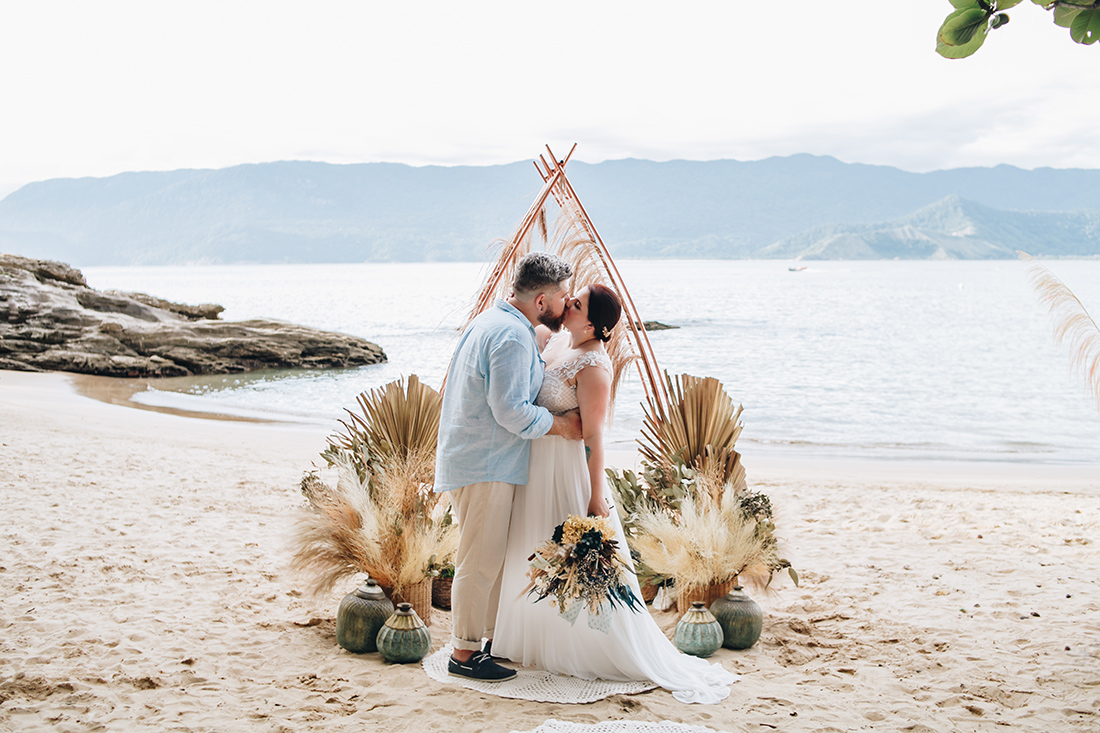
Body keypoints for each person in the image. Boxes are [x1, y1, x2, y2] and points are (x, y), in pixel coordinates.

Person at [492, 283, 739, 704]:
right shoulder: (552, 343)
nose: (567, 303)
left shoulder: (595, 366)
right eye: (570, 298)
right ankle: (534, 642)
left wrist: (595, 496)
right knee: (535, 555)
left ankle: (590, 647)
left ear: (592, 323)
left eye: (577, 303)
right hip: (535, 467)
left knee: (578, 564)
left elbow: (594, 437)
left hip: (566, 472)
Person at [434, 252, 583, 682]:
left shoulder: (492, 323)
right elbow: (512, 413)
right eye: (560, 299)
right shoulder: (512, 337)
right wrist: (561, 426)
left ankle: (486, 642)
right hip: (486, 463)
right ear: (541, 301)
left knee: (486, 558)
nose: (564, 306)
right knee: (479, 561)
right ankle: (463, 654)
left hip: (477, 457)